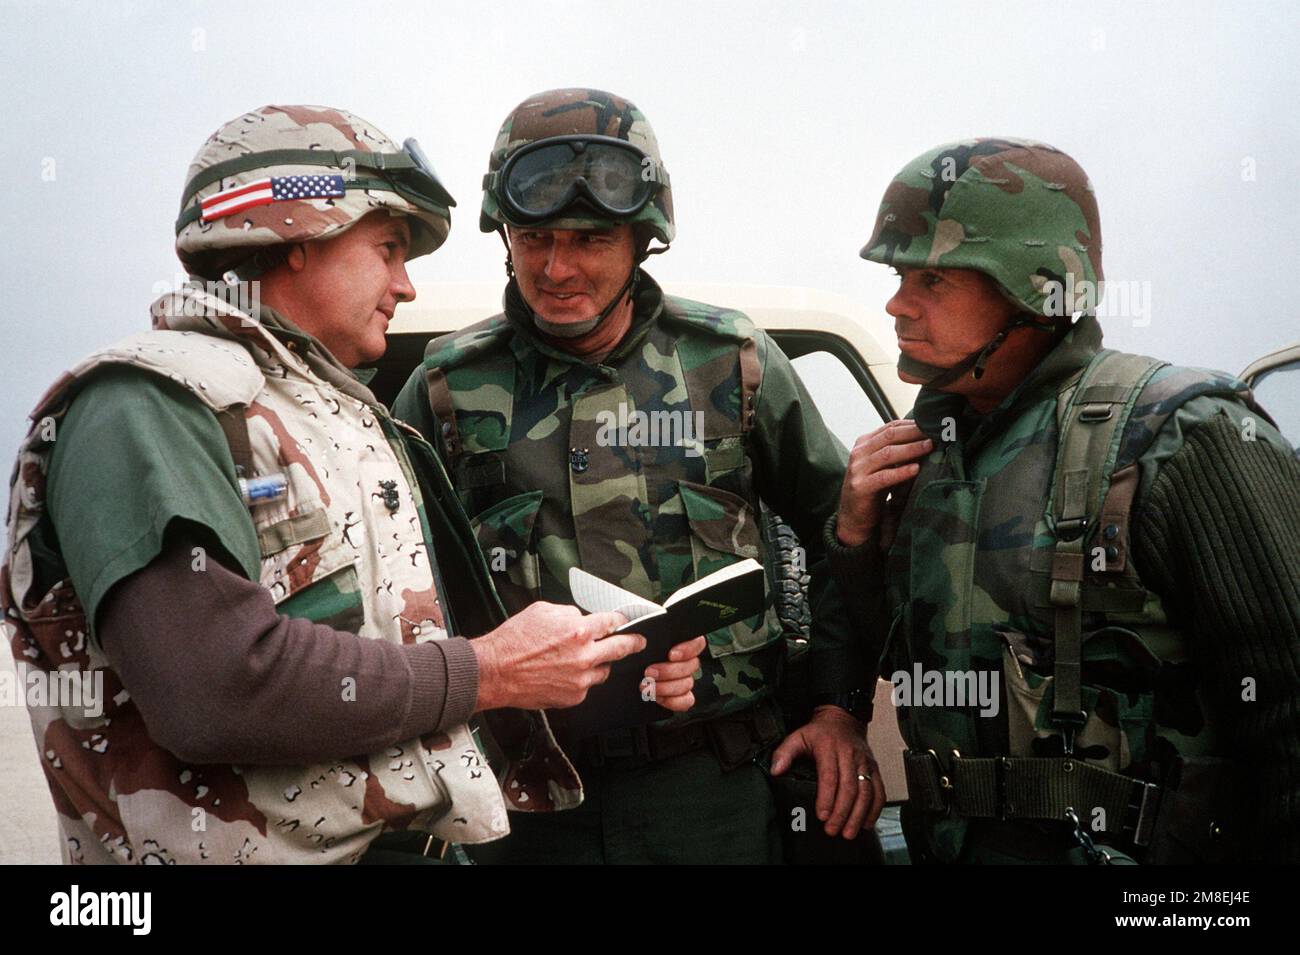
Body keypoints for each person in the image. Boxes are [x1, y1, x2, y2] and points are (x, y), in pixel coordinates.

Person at [2, 104, 703, 865]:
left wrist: (596, 662)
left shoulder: (345, 422)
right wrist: (490, 671)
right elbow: (211, 687)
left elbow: (394, 654)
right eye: (389, 248)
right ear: (296, 237)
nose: (404, 286)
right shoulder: (144, 406)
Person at [393, 88, 883, 865]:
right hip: (527, 806)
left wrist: (837, 707)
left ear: (642, 238)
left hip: (708, 795)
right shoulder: (446, 390)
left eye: (589, 238)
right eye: (534, 236)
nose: (557, 267)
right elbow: (395, 587)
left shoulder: (734, 364)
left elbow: (844, 540)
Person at [825, 137, 1300, 864]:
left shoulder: (1180, 433)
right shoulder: (931, 449)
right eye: (898, 274)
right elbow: (911, 663)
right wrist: (855, 539)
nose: (896, 303)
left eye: (933, 280)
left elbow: (1288, 711)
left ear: (1034, 291)